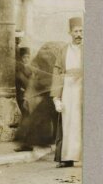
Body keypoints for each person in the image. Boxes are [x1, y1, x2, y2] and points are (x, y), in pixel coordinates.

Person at [14, 41, 60, 152]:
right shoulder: (44, 62)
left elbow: (38, 80)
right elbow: (34, 80)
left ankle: (29, 144)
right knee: (38, 119)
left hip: (52, 96)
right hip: (50, 96)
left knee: (37, 119)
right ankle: (31, 144)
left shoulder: (46, 62)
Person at [51, 16, 83, 168]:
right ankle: (66, 158)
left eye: (81, 31)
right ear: (69, 33)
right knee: (68, 122)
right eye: (76, 31)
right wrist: (56, 98)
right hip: (69, 91)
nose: (79, 34)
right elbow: (57, 73)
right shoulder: (63, 51)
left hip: (84, 91)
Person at [15, 46, 32, 114]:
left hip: (30, 93)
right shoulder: (18, 68)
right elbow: (16, 81)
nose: (26, 59)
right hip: (21, 94)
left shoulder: (31, 68)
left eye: (28, 57)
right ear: (21, 58)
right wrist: (20, 88)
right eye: (24, 57)